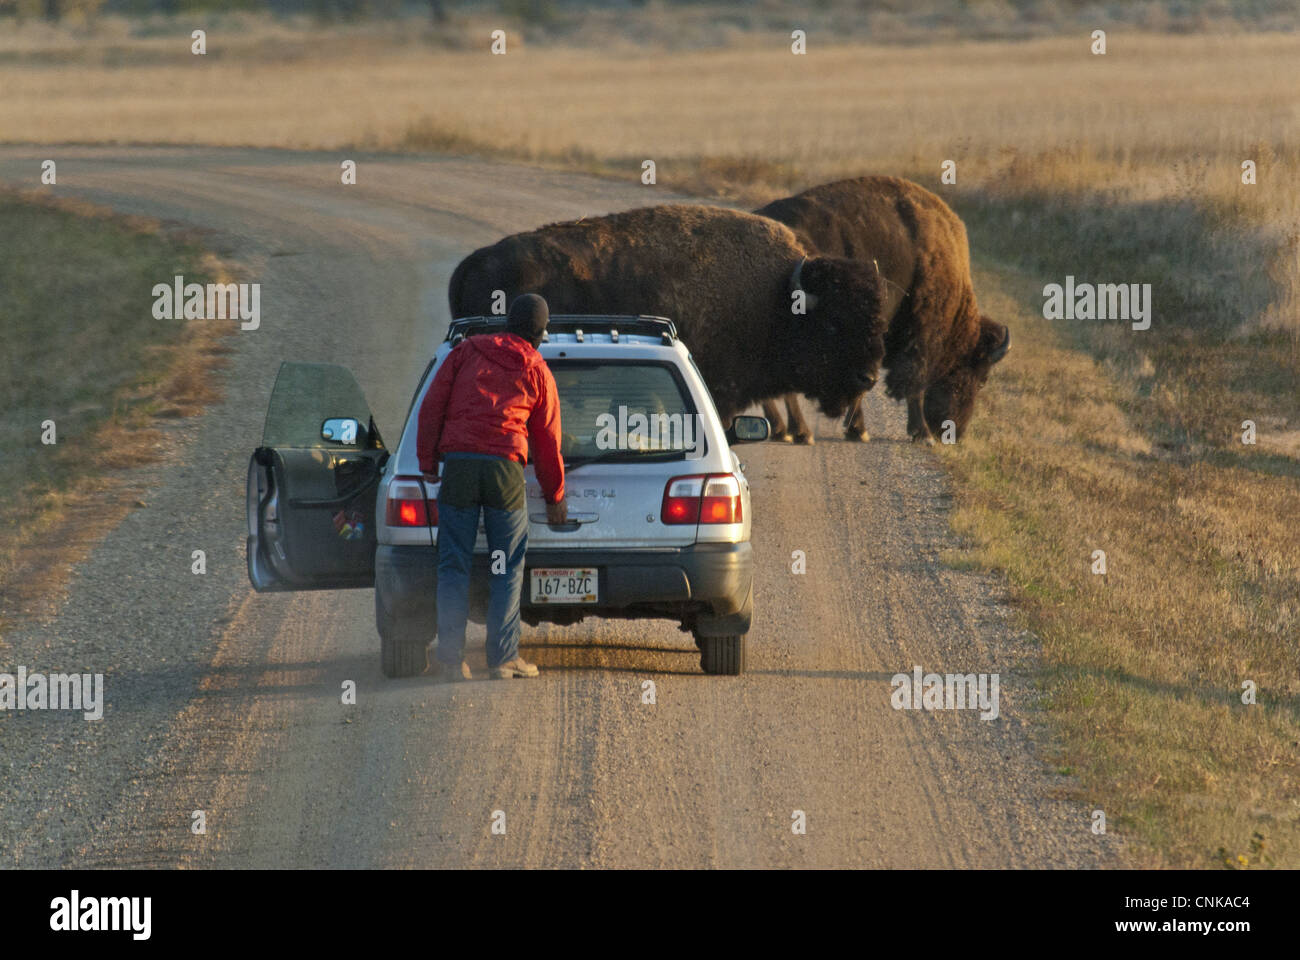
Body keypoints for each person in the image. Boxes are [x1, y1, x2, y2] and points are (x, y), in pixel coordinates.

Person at [417, 294, 568, 681]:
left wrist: (427, 462)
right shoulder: (536, 368)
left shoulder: (465, 352)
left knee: (453, 565)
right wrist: (555, 497)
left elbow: (432, 406)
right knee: (506, 567)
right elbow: (548, 440)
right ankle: (502, 659)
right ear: (539, 332)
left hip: (461, 468)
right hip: (504, 472)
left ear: (507, 322)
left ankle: (451, 662)